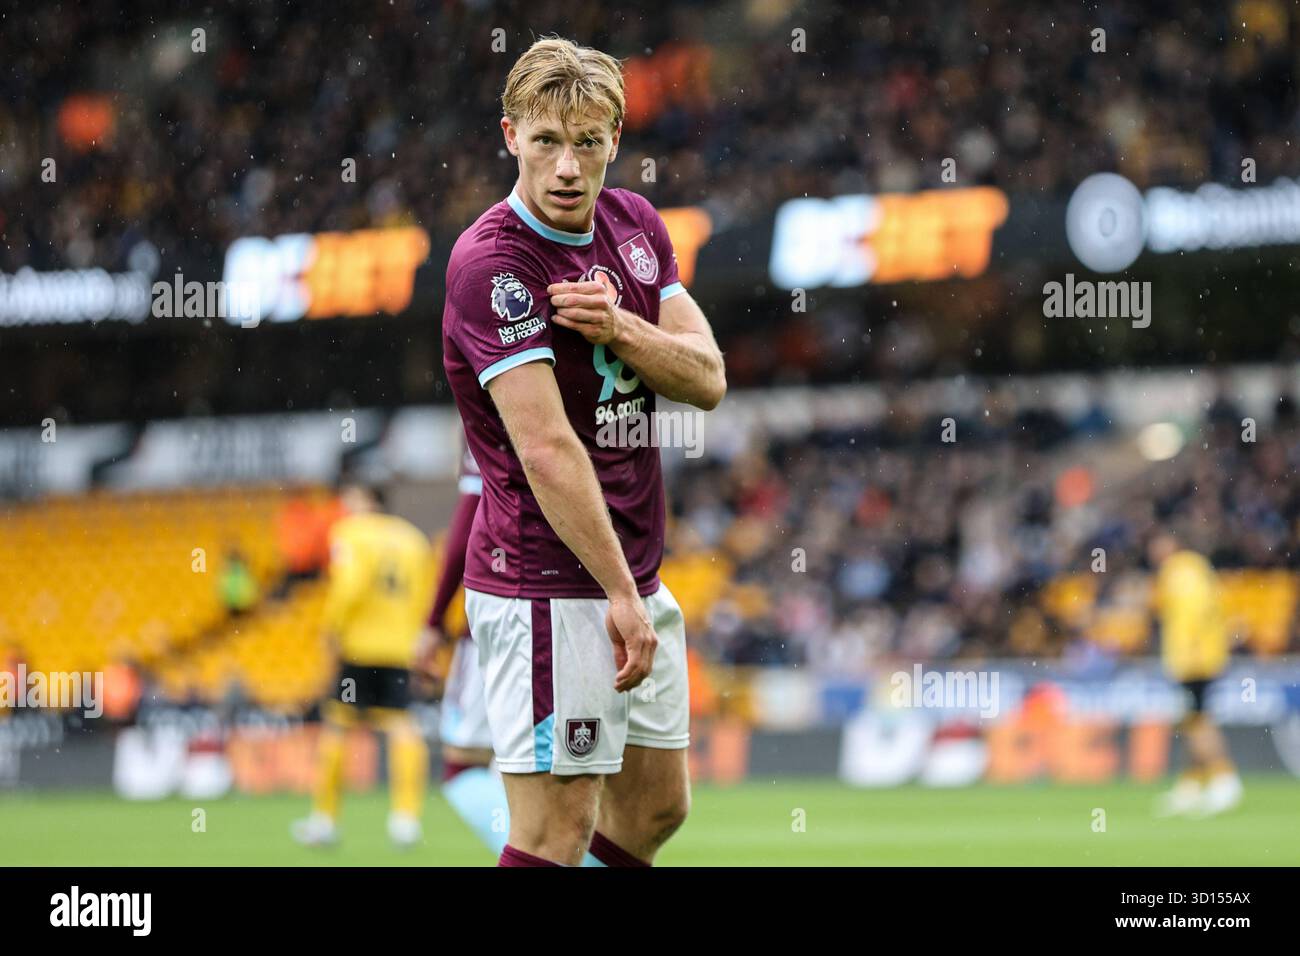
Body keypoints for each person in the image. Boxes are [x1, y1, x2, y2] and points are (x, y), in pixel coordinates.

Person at [440, 36, 725, 866]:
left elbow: (706, 378)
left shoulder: (636, 225)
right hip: (547, 583)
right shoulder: (494, 264)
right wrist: (619, 595)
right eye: (547, 142)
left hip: (631, 574)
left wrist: (619, 327)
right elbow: (546, 447)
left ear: (614, 142)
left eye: (588, 143)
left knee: (654, 812)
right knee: (552, 832)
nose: (568, 166)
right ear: (510, 137)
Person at [292, 481, 436, 849]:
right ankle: (406, 820)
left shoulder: (351, 533)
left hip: (358, 647)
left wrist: (331, 626)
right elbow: (424, 596)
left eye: (351, 498)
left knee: (338, 726)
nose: (345, 505)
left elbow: (350, 584)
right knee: (402, 726)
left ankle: (325, 820)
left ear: (368, 500)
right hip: (399, 647)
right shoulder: (413, 539)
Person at [1149, 532, 1243, 817]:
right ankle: (1191, 785)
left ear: (1172, 545)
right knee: (1190, 720)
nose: (1153, 550)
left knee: (1199, 720)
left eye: (1158, 544)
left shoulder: (1180, 570)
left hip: (1194, 660)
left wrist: (1190, 650)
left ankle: (1225, 779)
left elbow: (1195, 611)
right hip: (1201, 656)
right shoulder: (1194, 568)